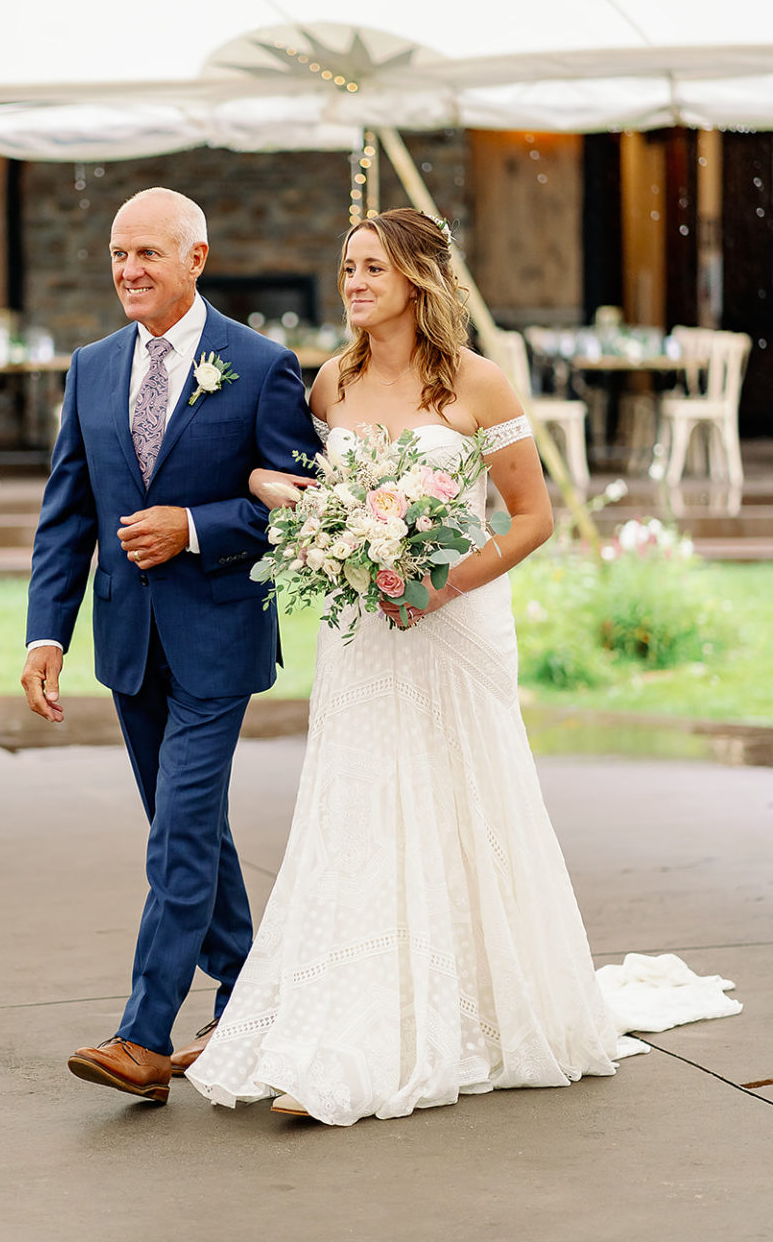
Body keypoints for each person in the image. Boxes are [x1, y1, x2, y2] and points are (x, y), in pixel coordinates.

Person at [187, 207, 623, 1124]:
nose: (353, 283)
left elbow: (532, 518)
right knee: (360, 808)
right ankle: (346, 1028)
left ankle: (478, 1008)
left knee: (465, 800)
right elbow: (290, 482)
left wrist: (445, 584)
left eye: (372, 268)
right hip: (361, 631)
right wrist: (270, 488)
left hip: (454, 623)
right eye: (347, 267)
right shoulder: (329, 384)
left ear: (418, 279)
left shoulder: (478, 382)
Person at [22, 187, 320, 1104]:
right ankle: (247, 994)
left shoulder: (261, 366)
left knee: (180, 832)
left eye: (148, 253)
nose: (129, 270)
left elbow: (300, 508)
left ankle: (144, 1037)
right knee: (186, 829)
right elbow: (68, 513)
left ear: (197, 258)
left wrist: (193, 526)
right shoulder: (91, 367)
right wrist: (46, 631)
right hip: (126, 642)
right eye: (119, 253)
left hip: (219, 636)